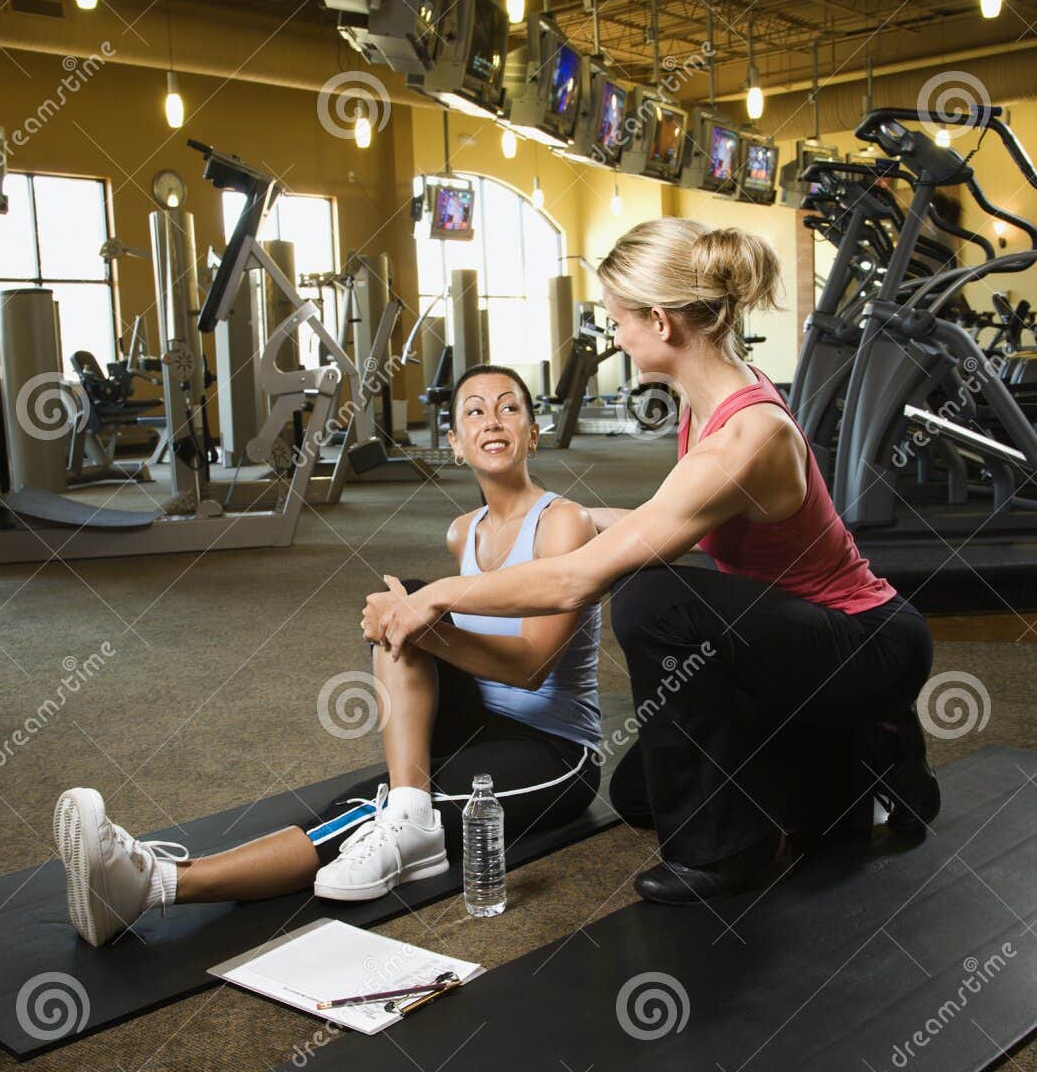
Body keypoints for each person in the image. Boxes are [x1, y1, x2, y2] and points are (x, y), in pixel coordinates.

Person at [364, 220, 938, 906]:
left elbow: (580, 579)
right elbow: (663, 521)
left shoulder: (744, 437)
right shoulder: (714, 397)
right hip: (791, 643)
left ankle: (723, 855)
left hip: (864, 645)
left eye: (618, 321)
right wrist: (563, 519)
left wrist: (442, 596)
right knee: (640, 792)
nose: (614, 337)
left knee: (648, 598)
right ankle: (865, 754)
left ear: (660, 323)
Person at [54, 366, 601, 947]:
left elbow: (531, 665)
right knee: (405, 622)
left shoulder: (562, 522)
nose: (491, 420)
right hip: (477, 726)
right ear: (456, 442)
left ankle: (154, 883)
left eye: (508, 408)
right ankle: (407, 809)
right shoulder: (461, 532)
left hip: (555, 752)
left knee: (368, 806)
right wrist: (410, 617)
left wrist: (420, 623)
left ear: (533, 433)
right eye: (474, 411)